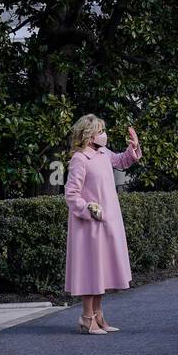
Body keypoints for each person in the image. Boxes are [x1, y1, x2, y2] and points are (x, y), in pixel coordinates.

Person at [64, 115, 142, 335]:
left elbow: (122, 161)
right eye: (99, 131)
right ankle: (87, 317)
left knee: (102, 272)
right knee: (90, 271)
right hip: (89, 227)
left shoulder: (103, 154)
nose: (103, 135)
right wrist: (89, 208)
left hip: (108, 222)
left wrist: (133, 149)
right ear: (88, 135)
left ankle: (98, 316)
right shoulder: (80, 159)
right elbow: (71, 195)